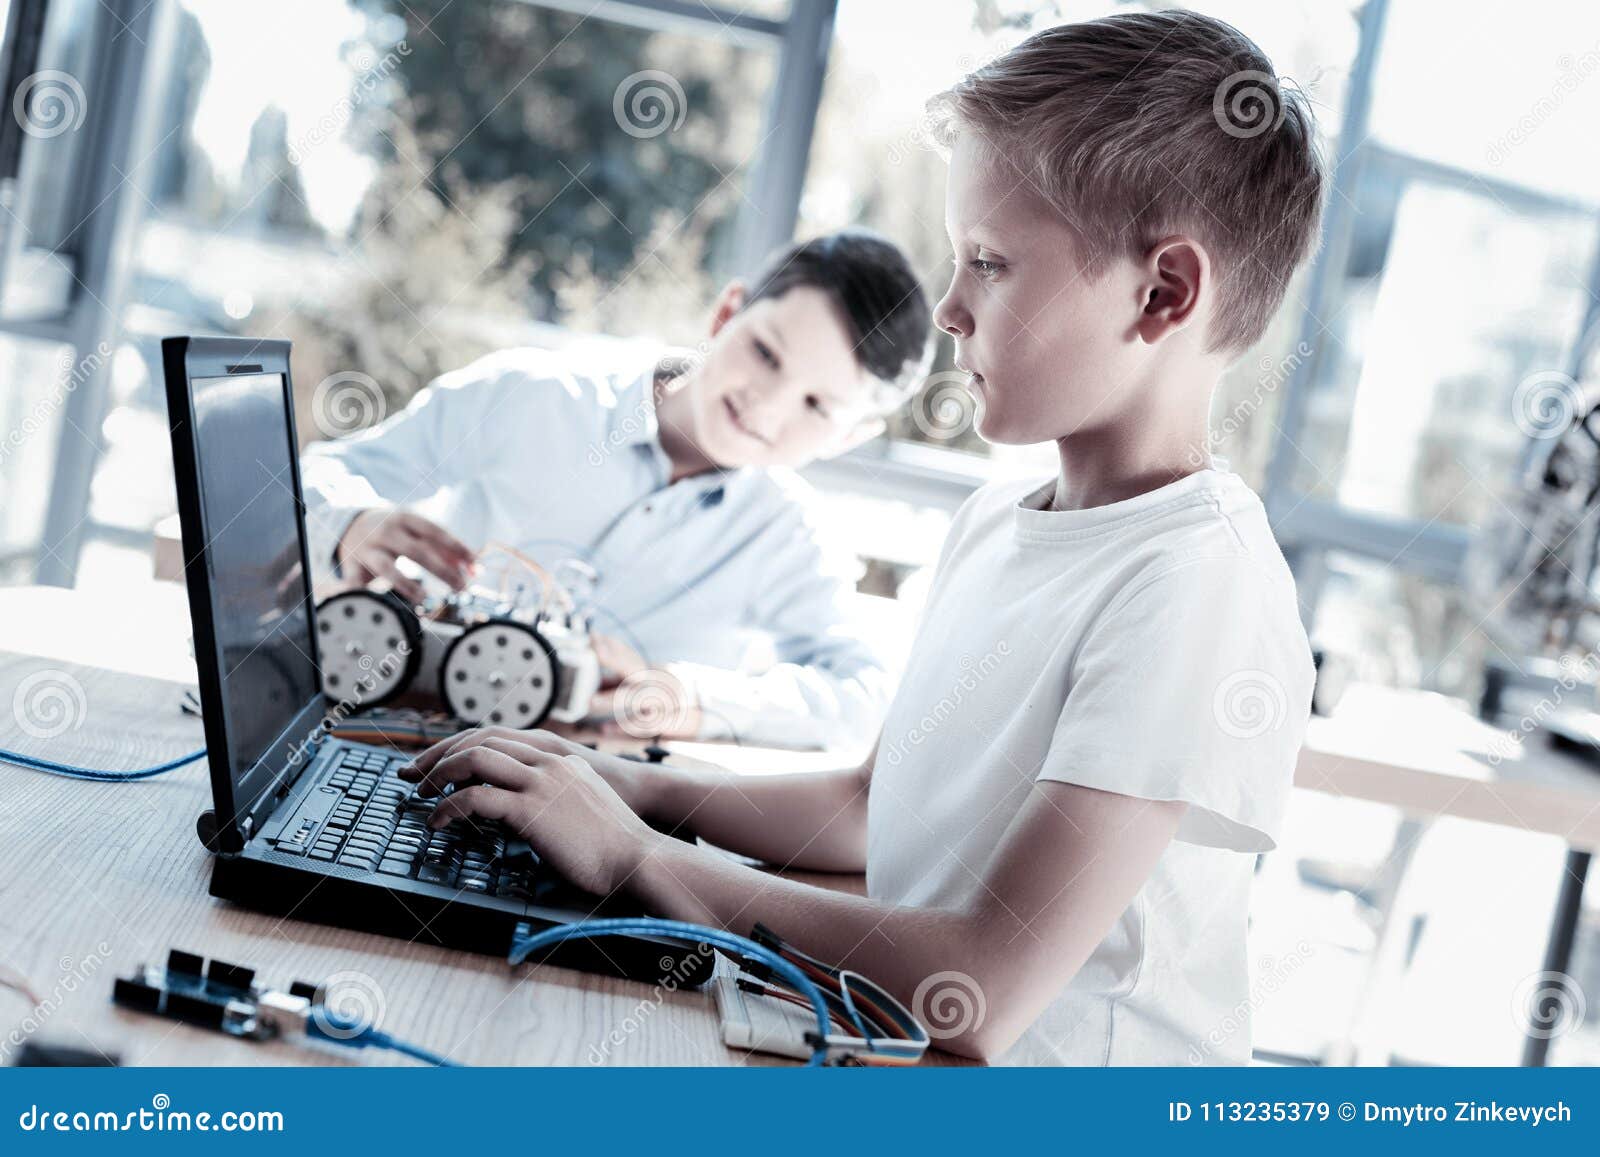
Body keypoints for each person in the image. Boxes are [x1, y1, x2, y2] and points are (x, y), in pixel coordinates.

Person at [400, 9, 1325, 1064]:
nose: (945, 308)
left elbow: (973, 990)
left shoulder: (1195, 584)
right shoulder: (998, 519)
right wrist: (626, 783)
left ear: (1162, 292)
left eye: (989, 261)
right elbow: (865, 805)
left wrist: (633, 857)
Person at [300, 229, 933, 749]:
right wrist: (352, 521)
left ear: (849, 437)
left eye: (818, 404)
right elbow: (303, 475)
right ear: (725, 313)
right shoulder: (530, 397)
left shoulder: (788, 538)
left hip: (583, 813)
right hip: (388, 736)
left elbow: (867, 697)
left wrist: (695, 698)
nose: (766, 406)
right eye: (766, 354)